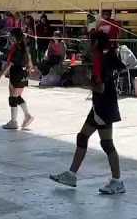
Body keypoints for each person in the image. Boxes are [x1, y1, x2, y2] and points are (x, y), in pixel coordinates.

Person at [49, 30, 126, 194]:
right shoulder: (102, 59)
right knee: (83, 137)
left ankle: (117, 181)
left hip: (104, 107)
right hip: (100, 106)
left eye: (90, 42)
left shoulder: (103, 61)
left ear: (96, 43)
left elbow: (101, 87)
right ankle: (71, 175)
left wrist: (82, 80)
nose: (87, 45)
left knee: (106, 143)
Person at [0, 27, 34, 130]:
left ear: (14, 37)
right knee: (17, 97)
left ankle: (14, 121)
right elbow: (29, 59)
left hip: (16, 73)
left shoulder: (15, 48)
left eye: (10, 36)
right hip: (24, 73)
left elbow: (8, 64)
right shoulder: (24, 47)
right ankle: (27, 115)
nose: (9, 38)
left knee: (12, 97)